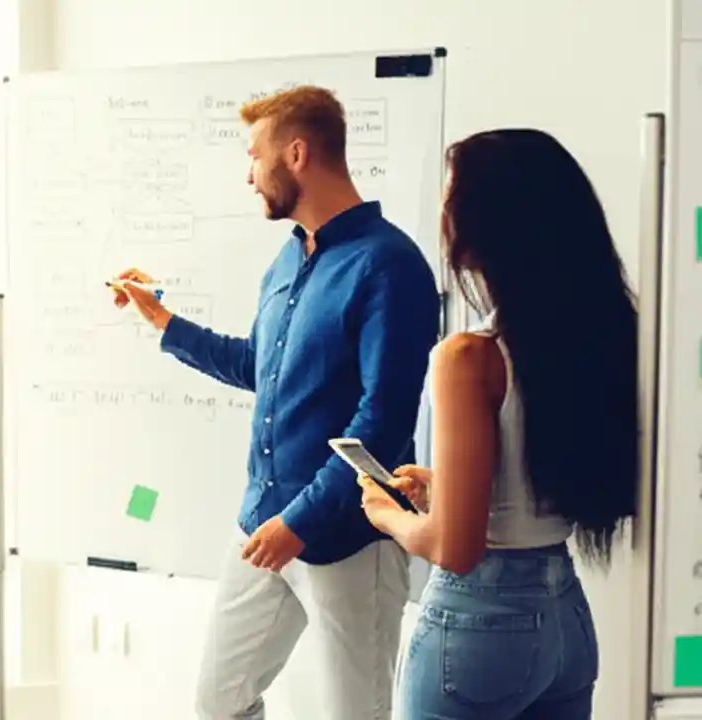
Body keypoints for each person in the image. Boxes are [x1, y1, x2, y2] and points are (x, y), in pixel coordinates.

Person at [113, 86, 440, 720]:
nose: (248, 174)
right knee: (219, 703)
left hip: (348, 539)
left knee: (357, 714)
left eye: (254, 156)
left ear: (296, 153)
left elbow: (382, 420)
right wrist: (163, 321)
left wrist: (302, 523)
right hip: (264, 525)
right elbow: (258, 368)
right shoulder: (289, 258)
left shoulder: (388, 266)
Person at [359, 129, 636, 719]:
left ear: (485, 226)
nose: (441, 212)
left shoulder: (469, 356)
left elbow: (454, 550)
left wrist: (387, 516)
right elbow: (540, 474)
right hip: (566, 618)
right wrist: (447, 485)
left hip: (479, 623)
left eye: (450, 198)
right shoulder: (598, 337)